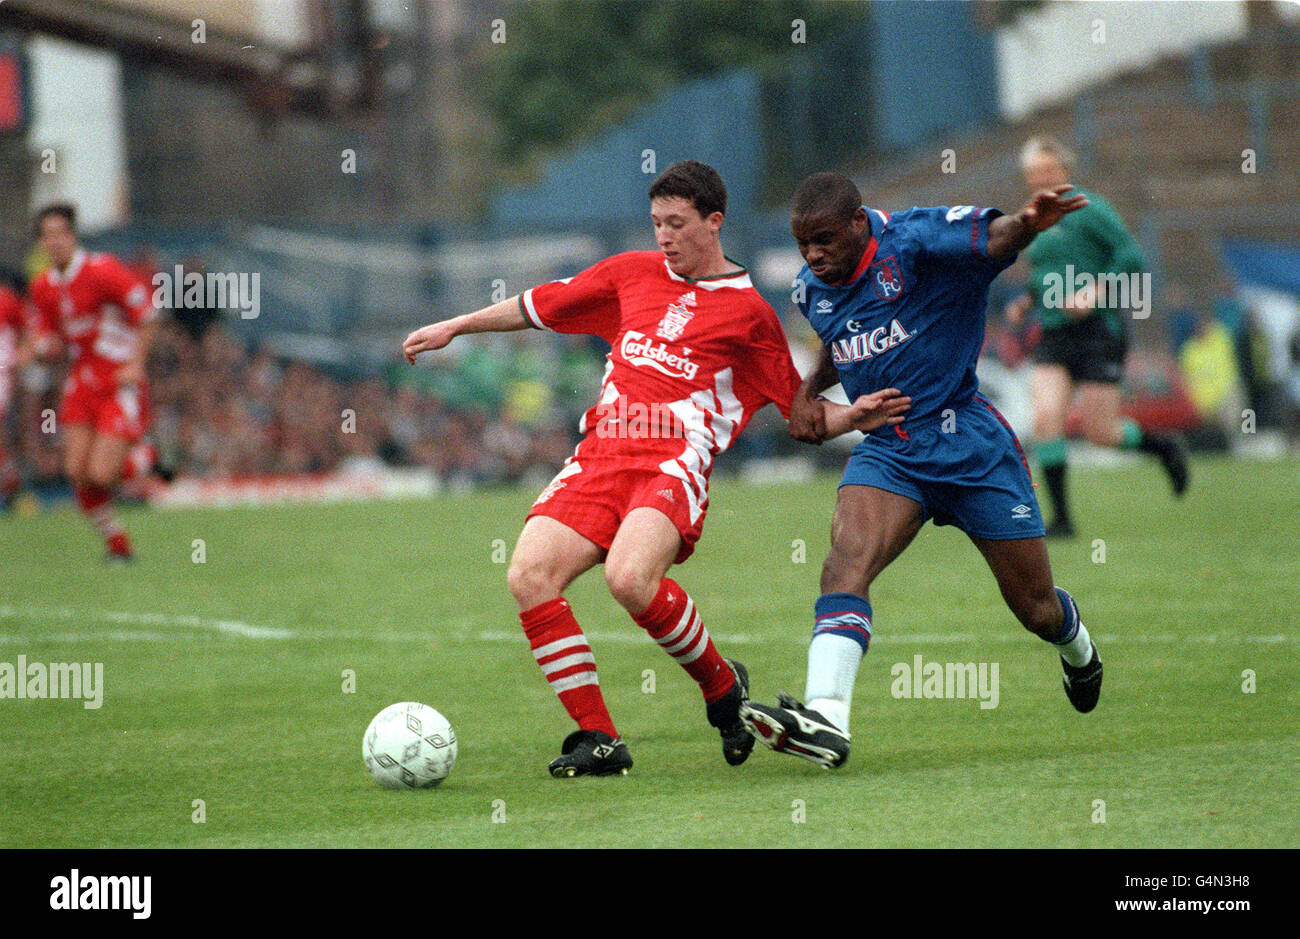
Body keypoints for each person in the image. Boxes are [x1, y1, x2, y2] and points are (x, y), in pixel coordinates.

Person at [403, 161, 908, 777]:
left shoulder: (750, 314)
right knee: (529, 576)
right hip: (599, 457)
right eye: (655, 223)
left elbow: (798, 415)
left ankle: (720, 689)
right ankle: (601, 740)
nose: (662, 236)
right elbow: (538, 305)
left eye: (675, 223)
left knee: (628, 580)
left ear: (713, 222)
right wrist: (457, 325)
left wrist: (853, 415)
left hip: (672, 463)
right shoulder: (629, 274)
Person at [739, 172, 1102, 770]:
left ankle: (1079, 649)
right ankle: (827, 717)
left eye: (824, 240)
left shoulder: (915, 239)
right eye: (803, 244)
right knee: (844, 562)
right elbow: (841, 336)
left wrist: (1028, 223)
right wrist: (806, 389)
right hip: (890, 447)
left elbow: (993, 241)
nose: (813, 255)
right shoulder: (812, 289)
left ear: (859, 222)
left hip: (970, 446)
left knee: (1036, 608)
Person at [1004, 136, 1187, 538]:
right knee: (1046, 418)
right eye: (1034, 173)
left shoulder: (1088, 207)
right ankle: (1062, 520)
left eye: (1049, 171)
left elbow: (1131, 255)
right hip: (1054, 331)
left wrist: (1095, 290)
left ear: (1065, 171)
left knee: (1100, 433)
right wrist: (1028, 300)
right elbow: (1046, 270)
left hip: (1098, 330)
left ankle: (1164, 446)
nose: (1042, 179)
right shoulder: (1034, 216)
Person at [26, 204, 160, 560]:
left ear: (73, 236)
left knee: (101, 474)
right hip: (82, 382)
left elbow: (147, 313)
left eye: (60, 233)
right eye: (47, 235)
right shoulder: (43, 288)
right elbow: (49, 334)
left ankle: (148, 456)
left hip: (117, 380)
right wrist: (42, 349)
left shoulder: (102, 270)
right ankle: (119, 547)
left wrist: (136, 362)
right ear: (41, 242)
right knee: (75, 472)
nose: (54, 241)